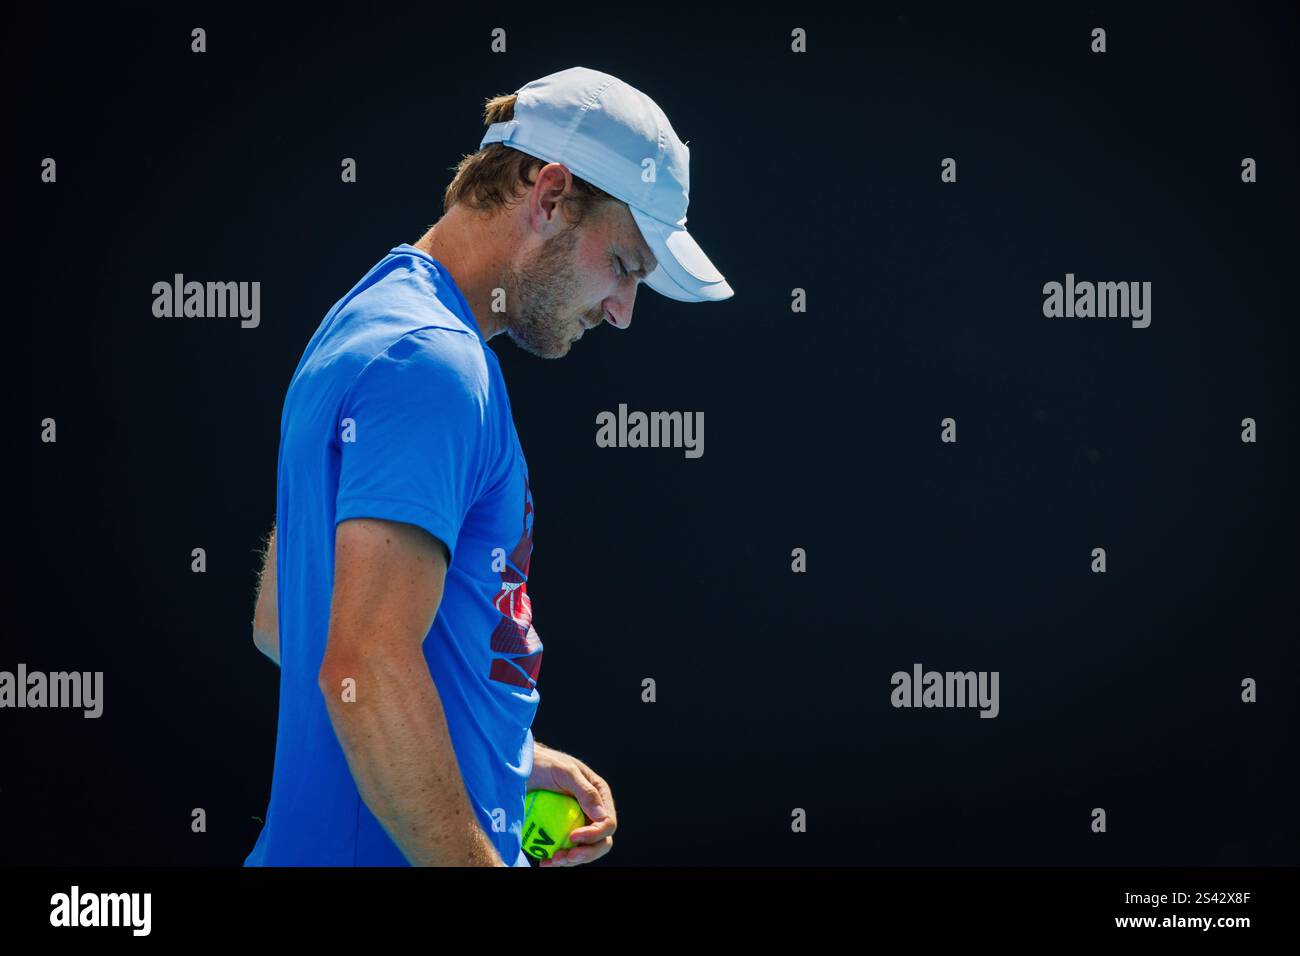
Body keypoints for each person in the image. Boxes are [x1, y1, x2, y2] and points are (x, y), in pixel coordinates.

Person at [244, 66, 733, 867]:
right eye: (625, 265)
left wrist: (503, 759)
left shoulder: (369, 322)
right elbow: (363, 661)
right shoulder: (431, 366)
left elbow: (287, 623)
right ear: (549, 195)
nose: (622, 311)